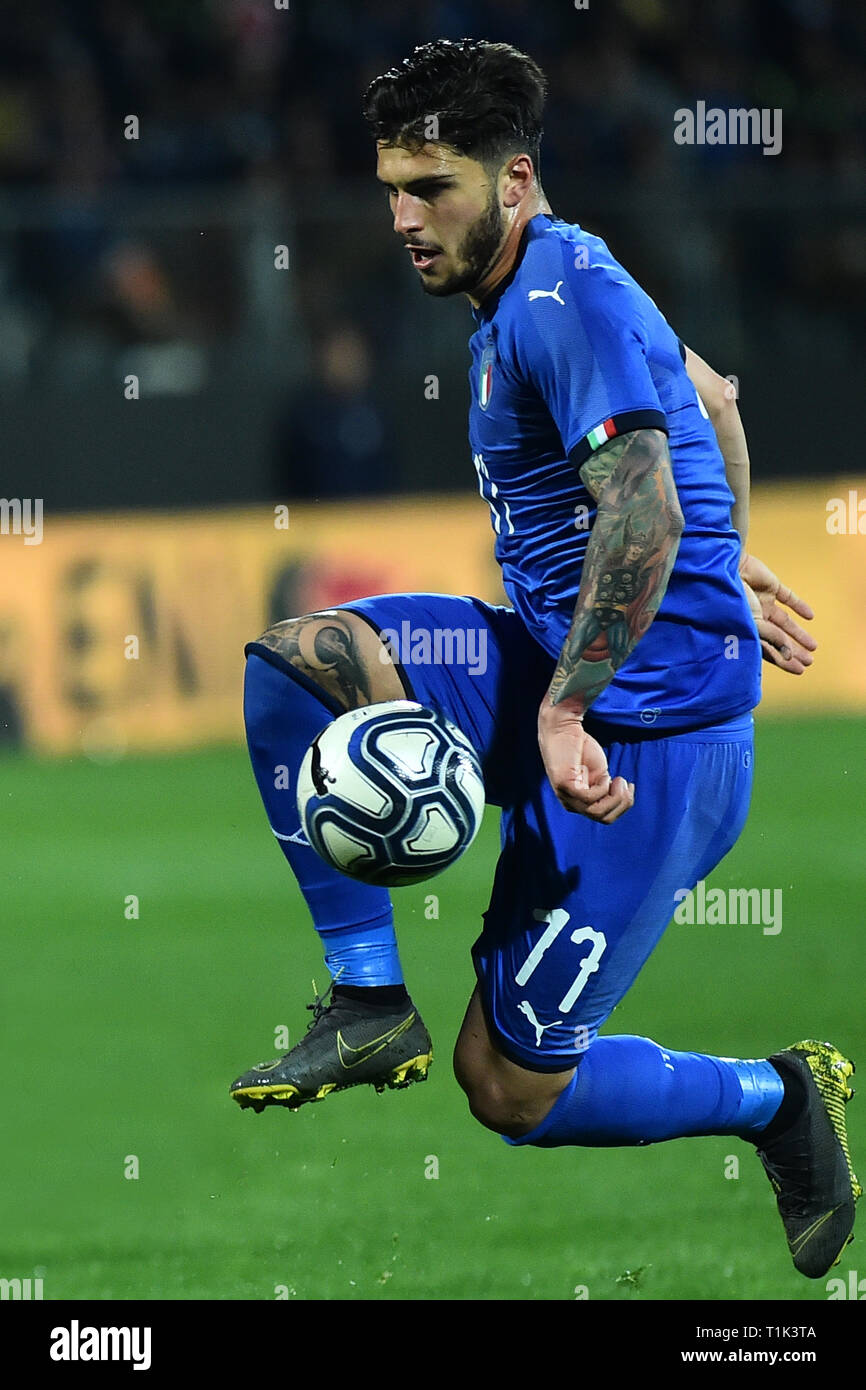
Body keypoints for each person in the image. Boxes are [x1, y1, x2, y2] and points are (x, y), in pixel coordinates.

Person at [230, 39, 858, 1279]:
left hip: (652, 743)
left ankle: (776, 1097)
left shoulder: (557, 301)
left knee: (508, 1088)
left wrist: (571, 707)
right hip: (547, 659)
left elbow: (638, 509)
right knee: (302, 660)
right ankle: (367, 1000)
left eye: (434, 190)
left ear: (514, 181)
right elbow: (715, 403)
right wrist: (718, 555)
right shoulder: (552, 283)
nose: (405, 220)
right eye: (391, 191)